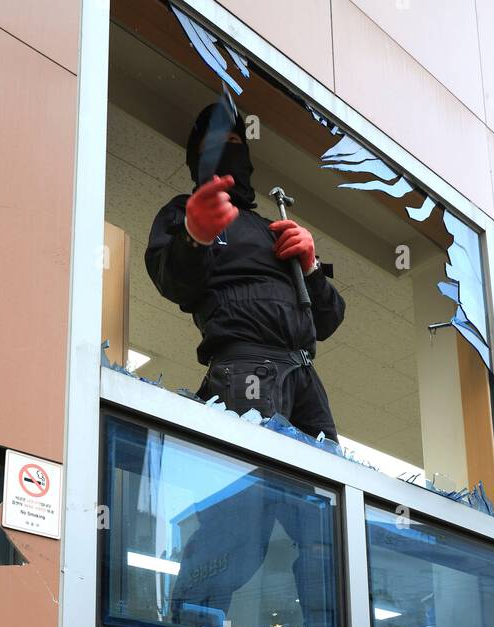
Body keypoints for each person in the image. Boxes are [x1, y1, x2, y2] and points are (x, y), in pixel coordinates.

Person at [145, 103, 345, 441]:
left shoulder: (275, 228)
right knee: (256, 477)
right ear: (197, 160)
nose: (226, 150)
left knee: (322, 487)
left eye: (235, 141)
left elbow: (327, 320)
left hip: (305, 376)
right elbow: (174, 282)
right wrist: (195, 237)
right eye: (213, 144)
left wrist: (310, 266)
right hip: (245, 365)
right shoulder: (182, 212)